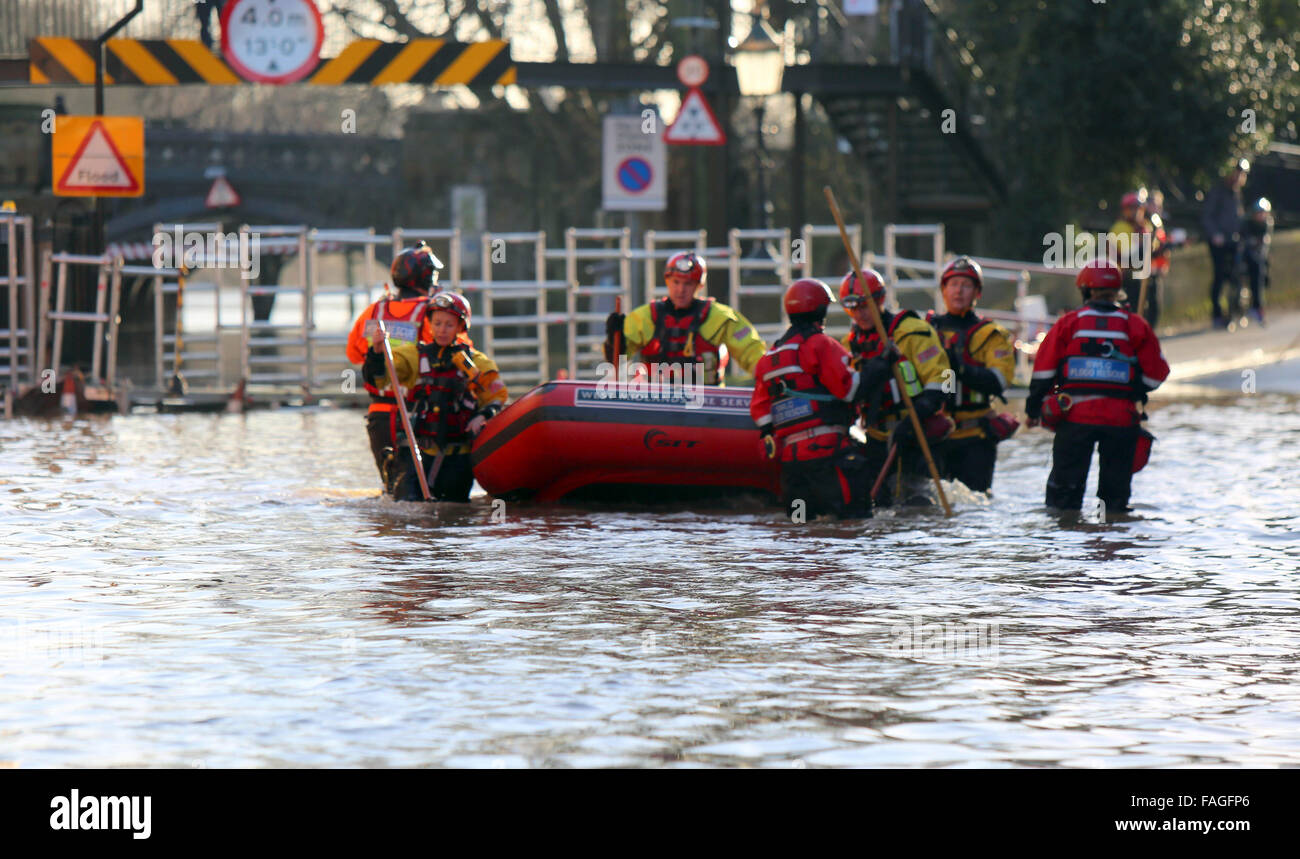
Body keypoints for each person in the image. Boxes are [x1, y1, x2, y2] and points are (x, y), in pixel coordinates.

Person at [1025, 259, 1170, 513]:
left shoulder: (1068, 324)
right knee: (1113, 504)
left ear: (1085, 290)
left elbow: (1043, 372)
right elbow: (1156, 376)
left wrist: (1033, 410)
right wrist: (1133, 390)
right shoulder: (1135, 325)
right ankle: (1109, 540)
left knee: (1063, 503)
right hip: (1121, 420)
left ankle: (1067, 543)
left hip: (1074, 419)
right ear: (1118, 290)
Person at [750, 279, 888, 519]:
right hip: (828, 457)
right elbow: (850, 390)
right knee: (854, 527)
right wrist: (880, 364)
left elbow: (761, 413)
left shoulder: (769, 358)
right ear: (822, 311)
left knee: (800, 535)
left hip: (792, 467)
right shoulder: (821, 345)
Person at [375, 291, 508, 502]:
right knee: (408, 509)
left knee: (454, 512)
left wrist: (482, 415)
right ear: (429, 324)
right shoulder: (413, 355)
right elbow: (380, 377)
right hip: (418, 453)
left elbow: (497, 396)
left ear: (460, 327)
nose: (442, 330)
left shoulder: (475, 363)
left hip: (457, 455)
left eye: (449, 324)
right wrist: (377, 351)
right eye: (437, 323)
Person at [839, 268, 951, 506]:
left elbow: (942, 378)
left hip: (916, 433)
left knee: (919, 505)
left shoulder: (911, 331)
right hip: (877, 437)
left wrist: (915, 418)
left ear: (880, 299)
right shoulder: (851, 344)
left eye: (864, 305)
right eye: (853, 308)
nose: (860, 314)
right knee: (880, 506)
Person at [925, 256, 1018, 493]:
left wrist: (961, 370)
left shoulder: (991, 334)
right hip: (935, 434)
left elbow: (999, 381)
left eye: (966, 286)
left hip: (975, 437)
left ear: (977, 293)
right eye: (953, 284)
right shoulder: (926, 330)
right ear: (943, 290)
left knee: (975, 505)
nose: (959, 291)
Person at [605, 251, 765, 385]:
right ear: (667, 281)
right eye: (676, 282)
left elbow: (752, 352)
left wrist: (769, 378)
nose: (680, 289)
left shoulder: (721, 318)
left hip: (706, 405)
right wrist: (613, 340)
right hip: (655, 404)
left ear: (699, 286)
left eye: (688, 284)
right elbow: (616, 359)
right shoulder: (644, 317)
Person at [1202, 158, 1249, 328]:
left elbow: (1239, 218)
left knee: (1236, 277)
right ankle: (1217, 314)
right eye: (1237, 172)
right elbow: (1207, 216)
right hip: (1219, 243)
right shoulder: (1218, 191)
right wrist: (1215, 234)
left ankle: (1236, 311)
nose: (1239, 176)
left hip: (1233, 241)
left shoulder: (1237, 193)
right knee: (1219, 277)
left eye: (1242, 174)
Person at [1108, 190, 1150, 314]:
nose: (1136, 211)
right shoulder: (1119, 228)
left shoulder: (1143, 228)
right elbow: (1132, 256)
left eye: (1139, 208)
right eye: (1132, 208)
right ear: (1125, 210)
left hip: (1140, 279)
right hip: (1123, 280)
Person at [1240, 198, 1273, 326]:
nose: (1261, 216)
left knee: (1261, 276)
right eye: (1258, 213)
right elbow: (1243, 241)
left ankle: (1257, 307)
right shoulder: (1247, 224)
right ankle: (1252, 308)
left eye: (1263, 213)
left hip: (1258, 258)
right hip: (1245, 257)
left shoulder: (1267, 224)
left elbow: (1264, 245)